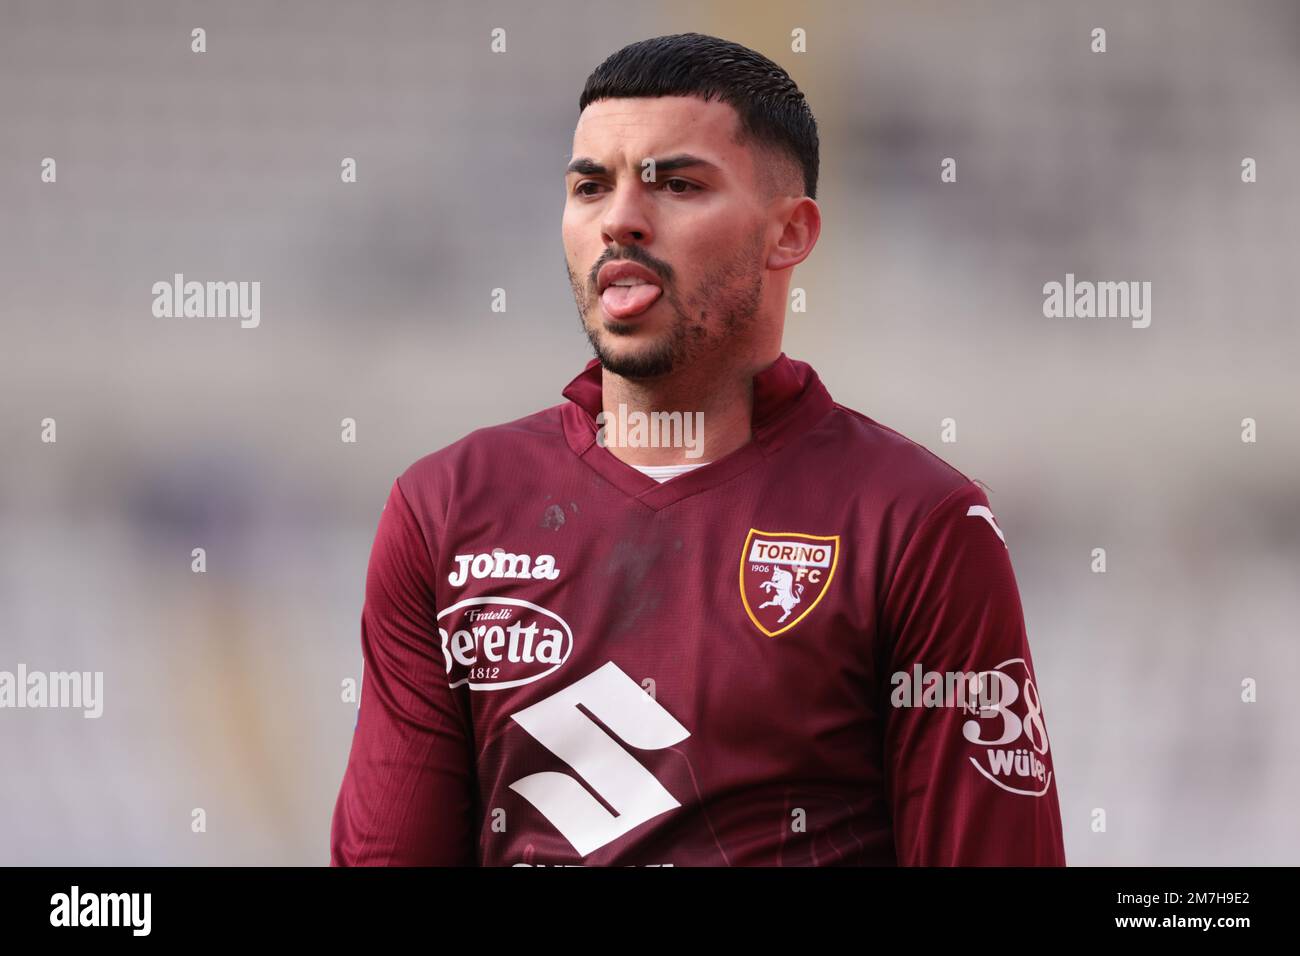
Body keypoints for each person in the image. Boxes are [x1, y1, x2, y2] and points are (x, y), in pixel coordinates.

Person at [330, 32, 1065, 866]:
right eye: (589, 186)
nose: (621, 219)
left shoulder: (919, 524)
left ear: (787, 234)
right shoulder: (444, 509)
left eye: (676, 184)